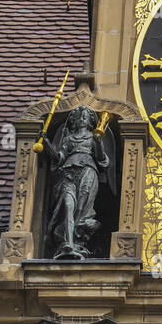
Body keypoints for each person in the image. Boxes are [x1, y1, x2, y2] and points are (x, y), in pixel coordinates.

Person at [42, 106, 110, 260]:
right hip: (68, 172)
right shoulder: (68, 138)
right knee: (68, 205)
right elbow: (59, 157)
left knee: (82, 204)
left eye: (85, 117)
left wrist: (99, 142)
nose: (81, 119)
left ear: (90, 121)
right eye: (79, 117)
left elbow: (102, 160)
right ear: (73, 120)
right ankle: (67, 241)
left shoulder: (93, 138)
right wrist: (47, 144)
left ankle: (76, 239)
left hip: (88, 170)